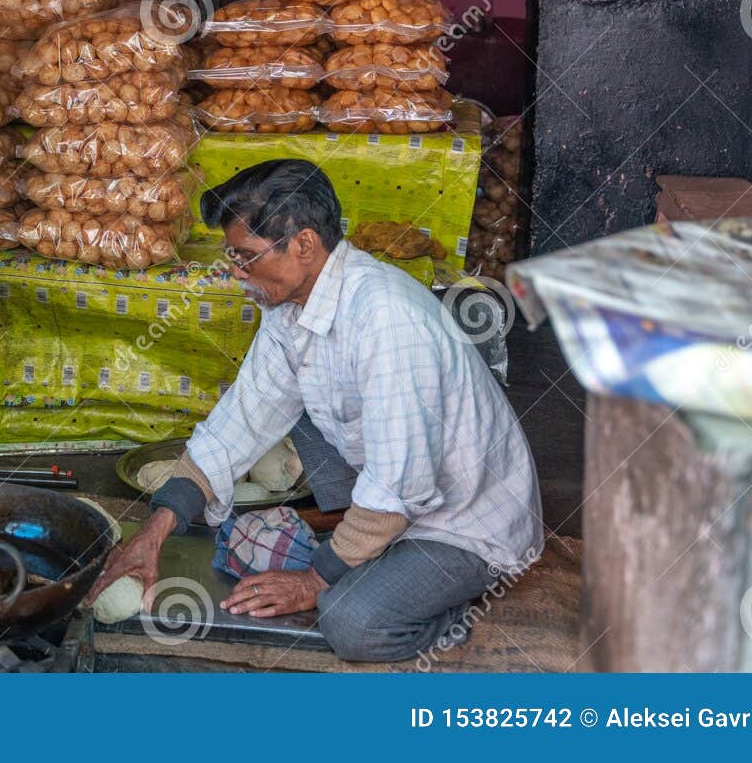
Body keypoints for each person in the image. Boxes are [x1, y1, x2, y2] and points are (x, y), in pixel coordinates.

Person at [90, 159, 544, 662]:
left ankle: (444, 605)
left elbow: (402, 485)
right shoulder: (290, 309)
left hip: (465, 521)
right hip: (402, 495)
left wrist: (314, 578)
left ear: (304, 244)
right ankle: (370, 549)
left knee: (353, 621)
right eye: (230, 256)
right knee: (294, 412)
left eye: (245, 257)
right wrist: (154, 531)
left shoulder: (386, 319)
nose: (235, 273)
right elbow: (239, 422)